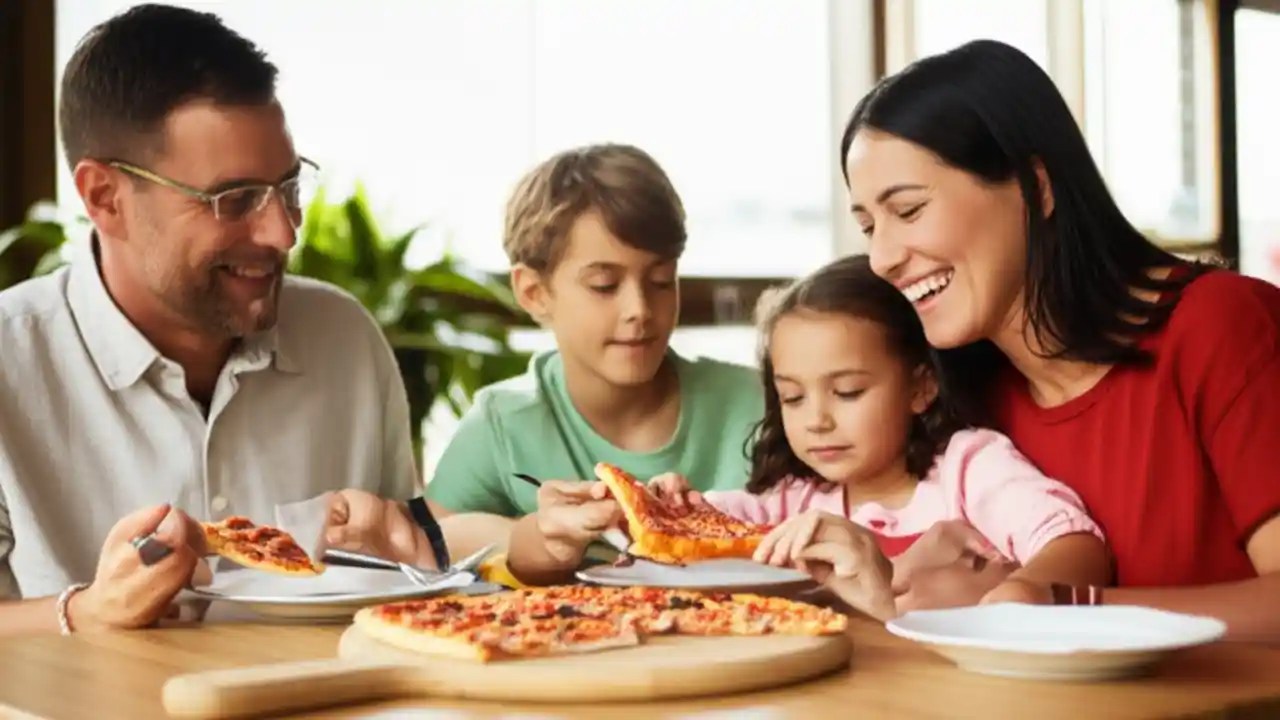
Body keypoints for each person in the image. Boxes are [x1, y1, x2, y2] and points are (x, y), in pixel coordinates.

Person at [0, 4, 501, 637]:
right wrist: (84, 612)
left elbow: (407, 585)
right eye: (232, 200)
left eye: (288, 189)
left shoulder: (344, 340)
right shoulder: (11, 360)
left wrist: (409, 556)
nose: (282, 232)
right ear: (104, 197)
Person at [840, 39, 1280, 640]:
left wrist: (1060, 606)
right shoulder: (967, 402)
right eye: (868, 226)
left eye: (909, 211)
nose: (882, 258)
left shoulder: (1221, 325)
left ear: (1034, 187)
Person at [636, 254, 1110, 619]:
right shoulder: (794, 504)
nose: (817, 420)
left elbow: (1074, 545)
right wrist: (662, 506)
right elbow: (689, 536)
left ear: (920, 387)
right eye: (793, 398)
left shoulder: (970, 468)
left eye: (847, 391)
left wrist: (1014, 598)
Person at [418, 143, 762, 583]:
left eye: (660, 281)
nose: (639, 308)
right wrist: (531, 538)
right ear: (534, 293)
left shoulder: (757, 404)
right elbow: (432, 544)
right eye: (604, 285)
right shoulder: (502, 425)